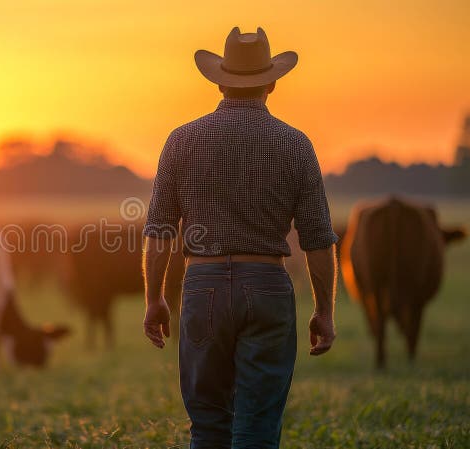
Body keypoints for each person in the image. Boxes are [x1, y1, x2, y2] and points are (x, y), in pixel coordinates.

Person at [141, 27, 338, 449]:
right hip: (268, 286)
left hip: (202, 286)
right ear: (272, 82)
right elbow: (318, 239)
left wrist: (154, 298)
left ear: (218, 81)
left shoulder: (181, 141)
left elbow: (159, 229)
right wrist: (324, 310)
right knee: (258, 425)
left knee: (208, 424)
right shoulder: (295, 145)